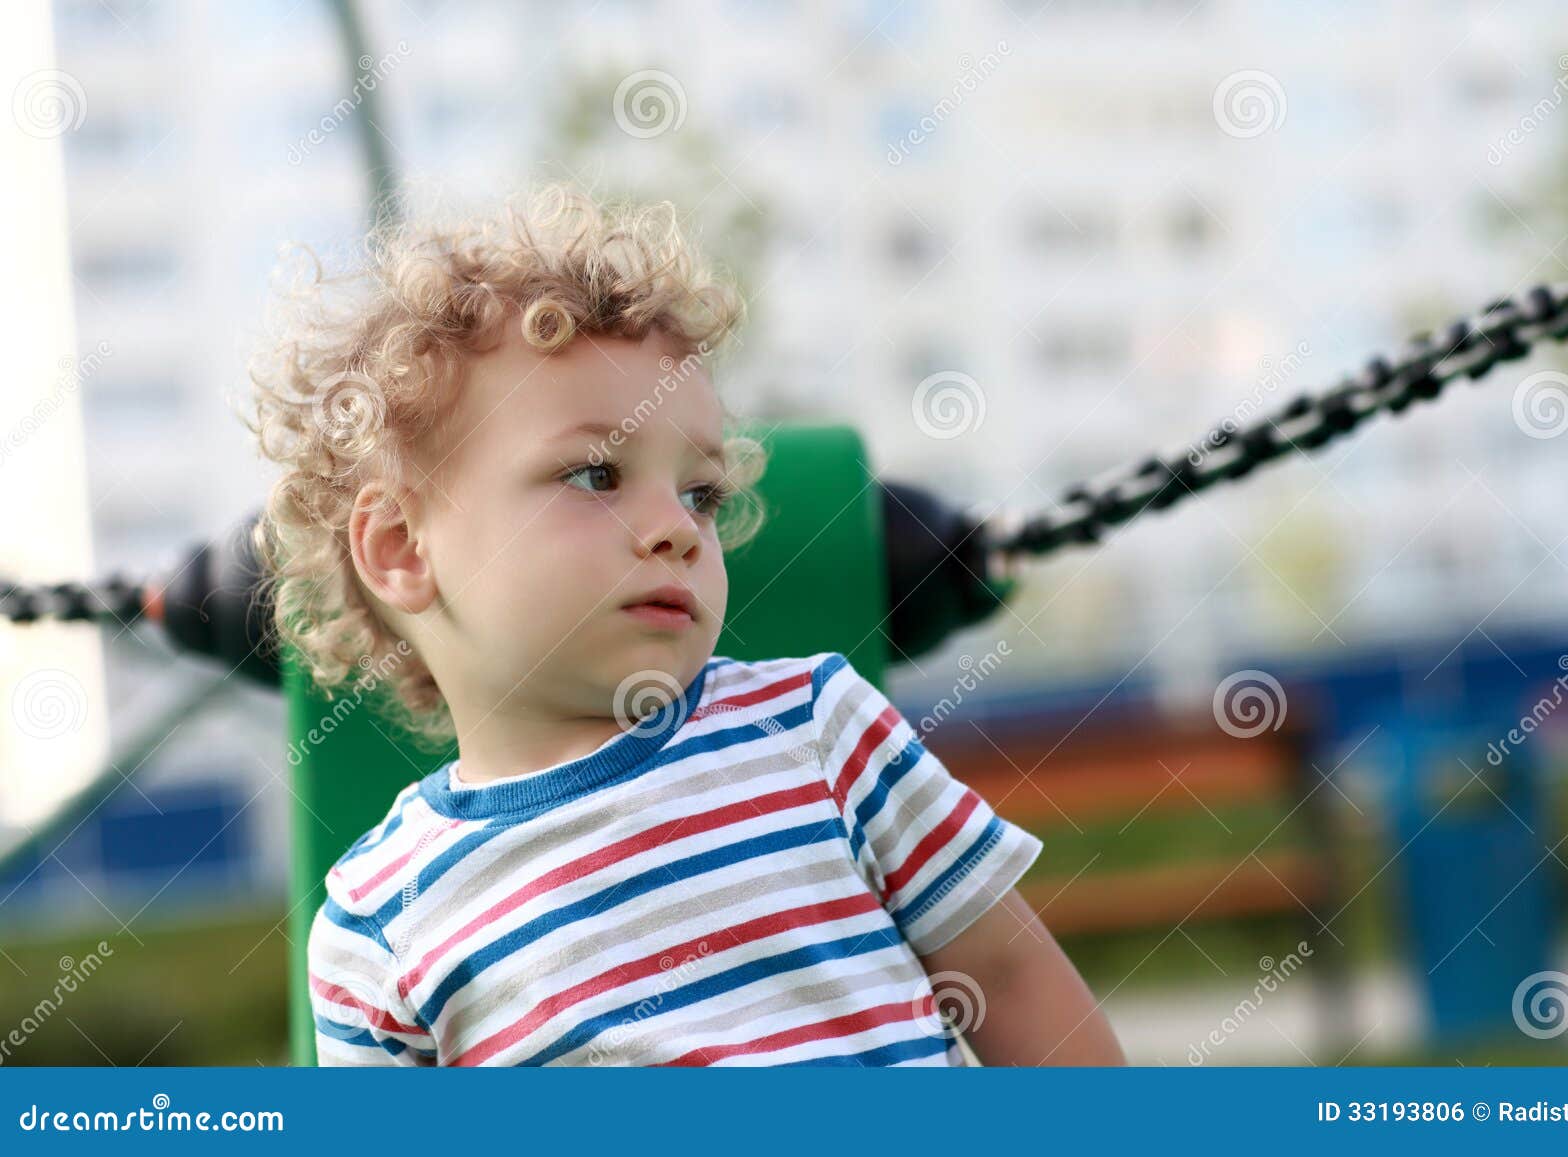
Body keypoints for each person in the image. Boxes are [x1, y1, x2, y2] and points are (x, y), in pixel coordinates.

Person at [246, 180, 1125, 1067]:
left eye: (700, 493)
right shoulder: (378, 922)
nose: (676, 527)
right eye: (595, 475)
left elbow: (1008, 977)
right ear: (400, 545)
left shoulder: (818, 733)